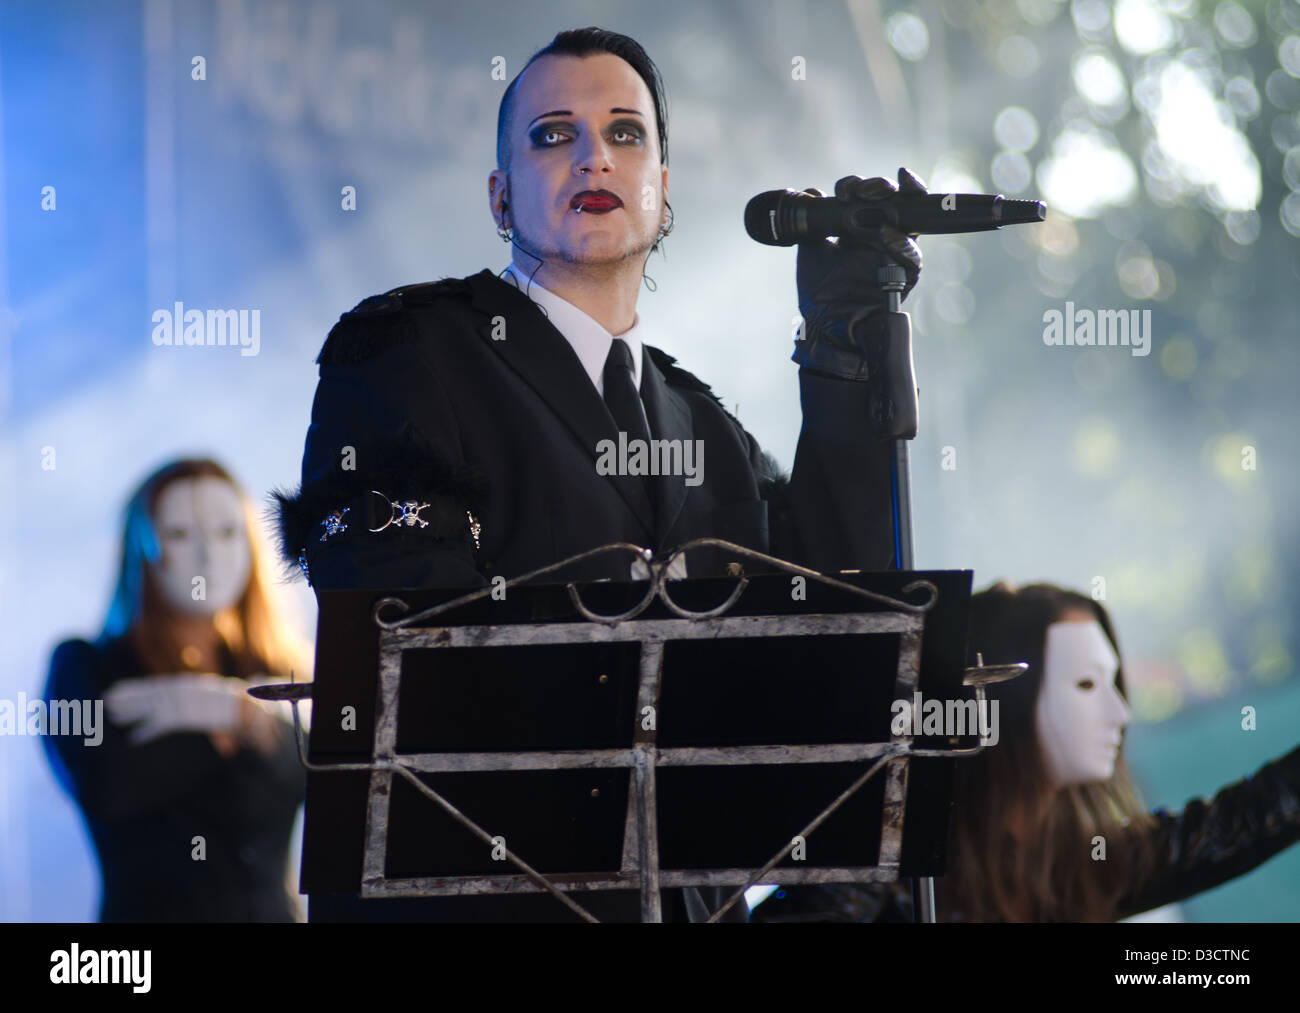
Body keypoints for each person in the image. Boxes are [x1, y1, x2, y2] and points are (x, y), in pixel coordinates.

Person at [272, 26, 927, 922]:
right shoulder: (406, 351)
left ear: (663, 192)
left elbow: (846, 638)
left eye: (627, 134)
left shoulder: (704, 426)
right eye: (553, 134)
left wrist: (846, 345)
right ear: (500, 198)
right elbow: (408, 650)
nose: (594, 155)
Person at [750, 581, 1300, 922]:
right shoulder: (895, 866)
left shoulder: (1078, 864)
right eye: (1085, 685)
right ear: (1003, 701)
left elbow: (1240, 823)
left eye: (1114, 684)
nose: (1121, 712)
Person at [43, 458, 310, 922]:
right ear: (141, 546)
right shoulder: (84, 666)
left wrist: (214, 710)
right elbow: (105, 787)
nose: (209, 555)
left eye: (228, 532)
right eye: (181, 535)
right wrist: (229, 723)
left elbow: (325, 777)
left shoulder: (276, 668)